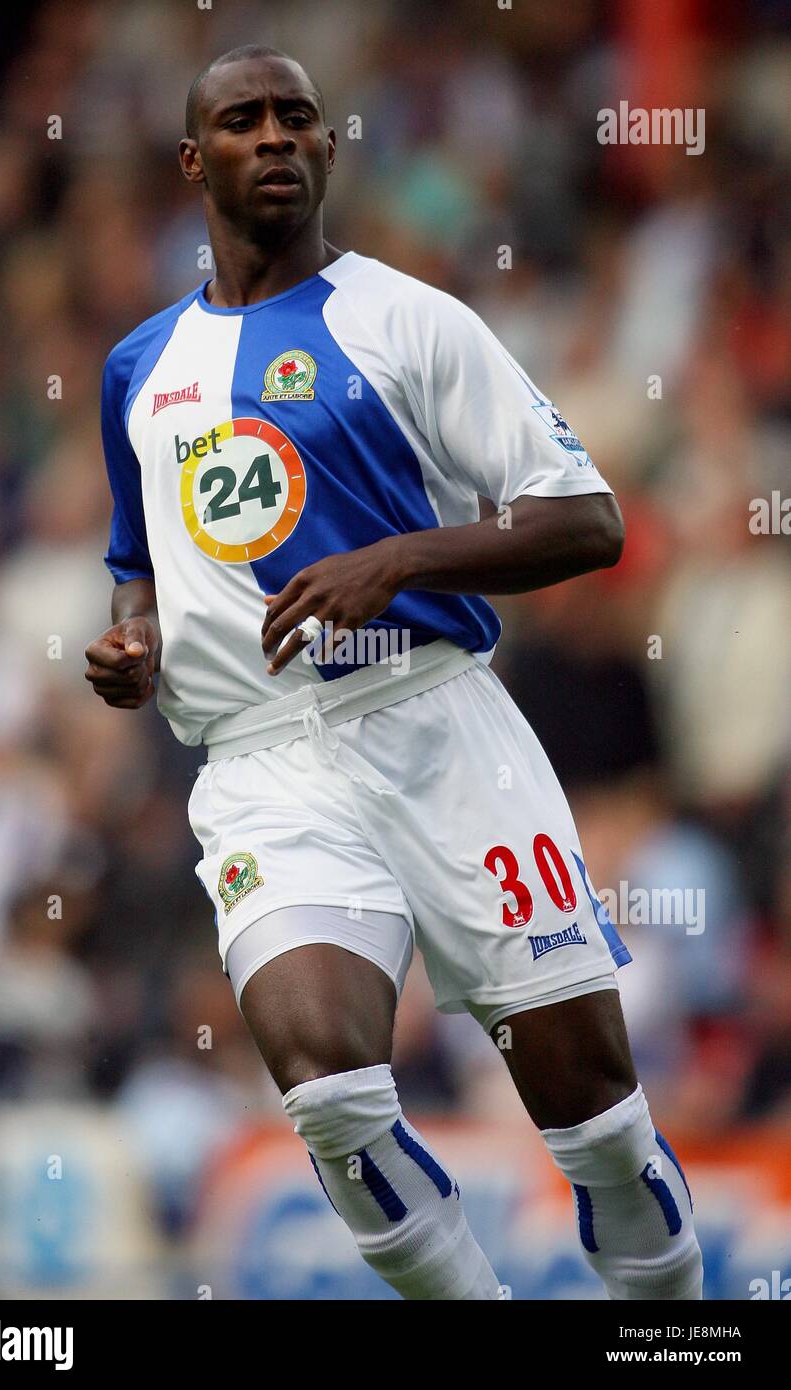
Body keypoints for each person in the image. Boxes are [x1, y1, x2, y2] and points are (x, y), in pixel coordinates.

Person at [84, 44, 703, 1301]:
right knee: (329, 1090)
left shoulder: (407, 318)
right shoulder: (136, 368)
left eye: (296, 118)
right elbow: (134, 560)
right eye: (243, 121)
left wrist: (395, 562)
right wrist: (132, 639)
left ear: (327, 148)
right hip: (260, 767)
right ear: (194, 161)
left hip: (434, 726)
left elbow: (585, 519)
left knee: (592, 1116)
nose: (273, 137)